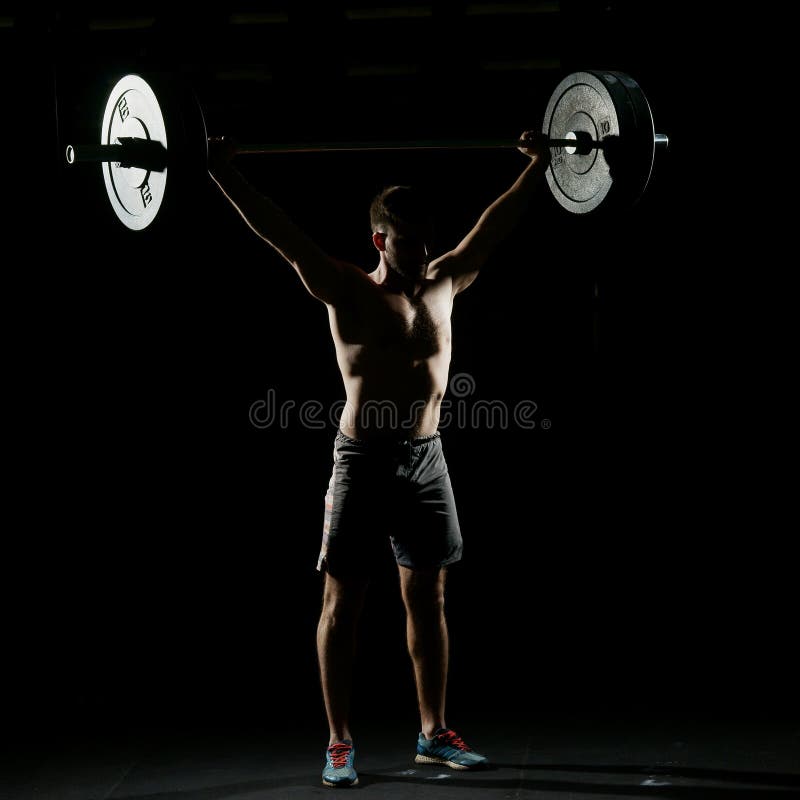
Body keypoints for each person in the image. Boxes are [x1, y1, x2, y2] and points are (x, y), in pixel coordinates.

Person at [207, 132, 550, 787]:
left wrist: (538, 166)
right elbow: (282, 235)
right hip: (362, 462)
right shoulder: (345, 289)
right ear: (379, 239)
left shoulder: (445, 280)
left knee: (429, 597)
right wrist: (224, 173)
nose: (420, 252)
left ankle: (433, 733)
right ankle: (339, 743)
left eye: (425, 240)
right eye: (407, 241)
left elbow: (494, 226)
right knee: (343, 604)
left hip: (427, 460)